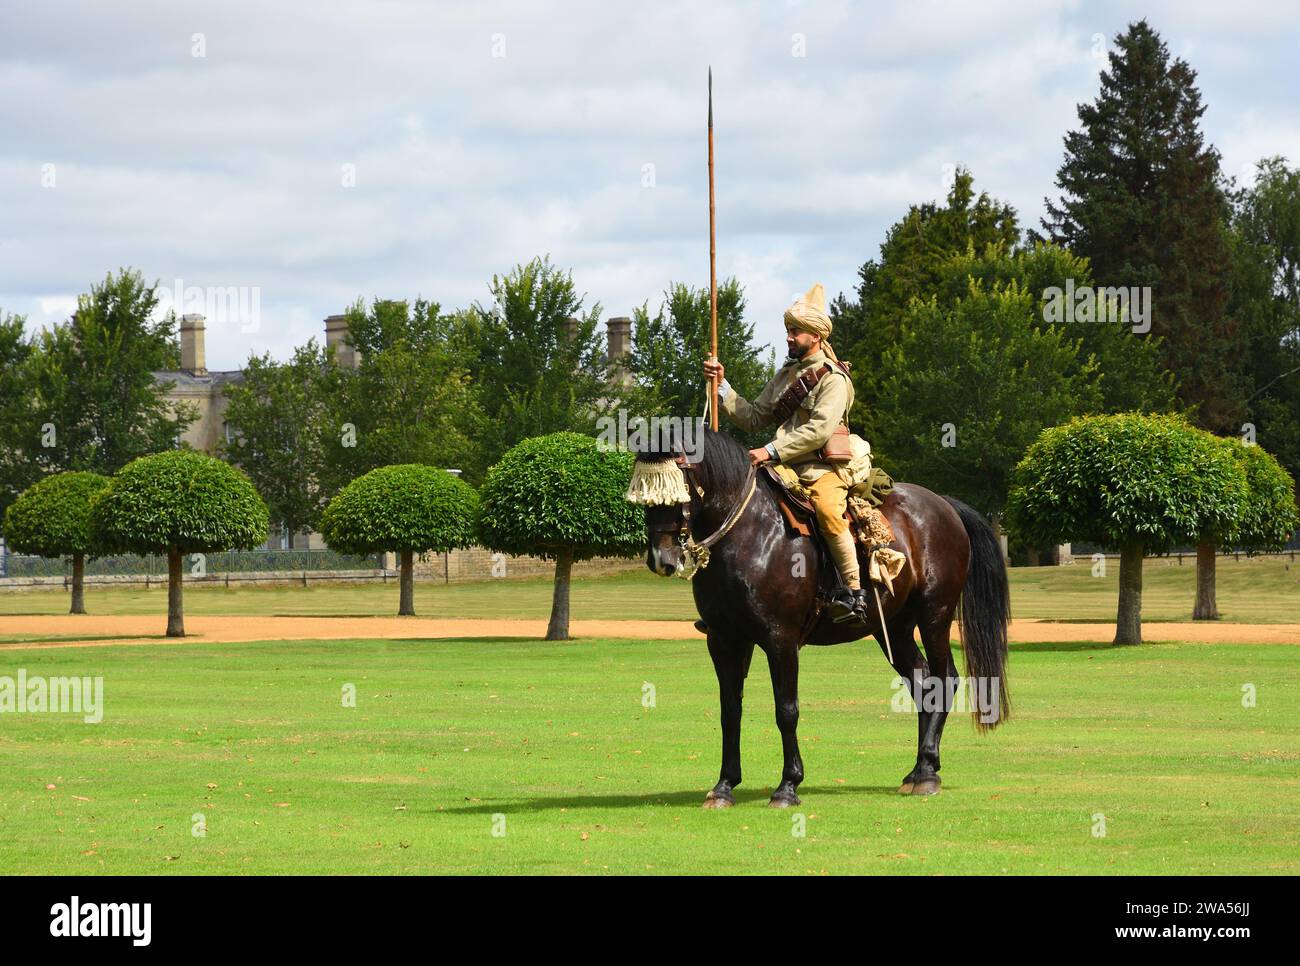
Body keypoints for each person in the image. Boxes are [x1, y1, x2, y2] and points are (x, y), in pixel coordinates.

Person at [703, 282, 868, 622]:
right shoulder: (786, 375)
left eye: (795, 332)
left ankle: (853, 593)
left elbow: (819, 430)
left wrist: (770, 450)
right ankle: (729, 599)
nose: (789, 337)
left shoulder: (834, 379)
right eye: (788, 331)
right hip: (784, 466)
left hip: (822, 466)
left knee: (827, 510)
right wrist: (722, 386)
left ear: (815, 336)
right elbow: (754, 416)